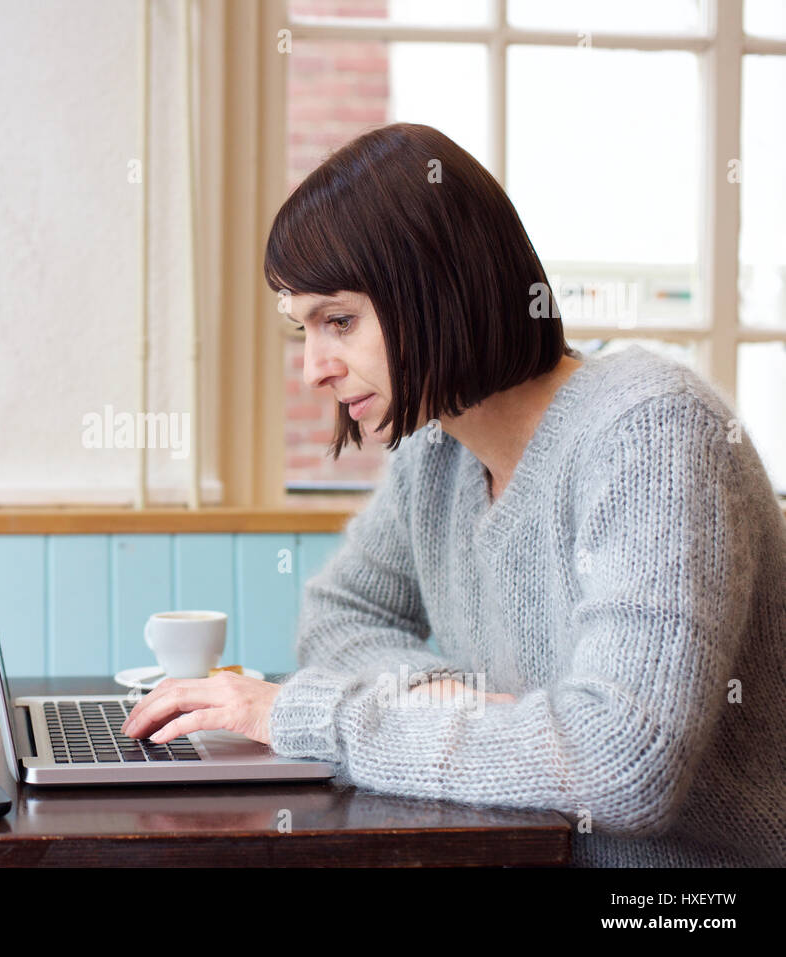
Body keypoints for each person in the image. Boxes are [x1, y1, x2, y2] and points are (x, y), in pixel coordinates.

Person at [122, 122, 786, 867]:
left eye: (338, 321)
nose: (313, 368)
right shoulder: (436, 449)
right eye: (301, 328)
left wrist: (313, 716)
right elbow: (338, 617)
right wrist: (450, 694)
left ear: (438, 285)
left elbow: (619, 765)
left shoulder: (654, 433)